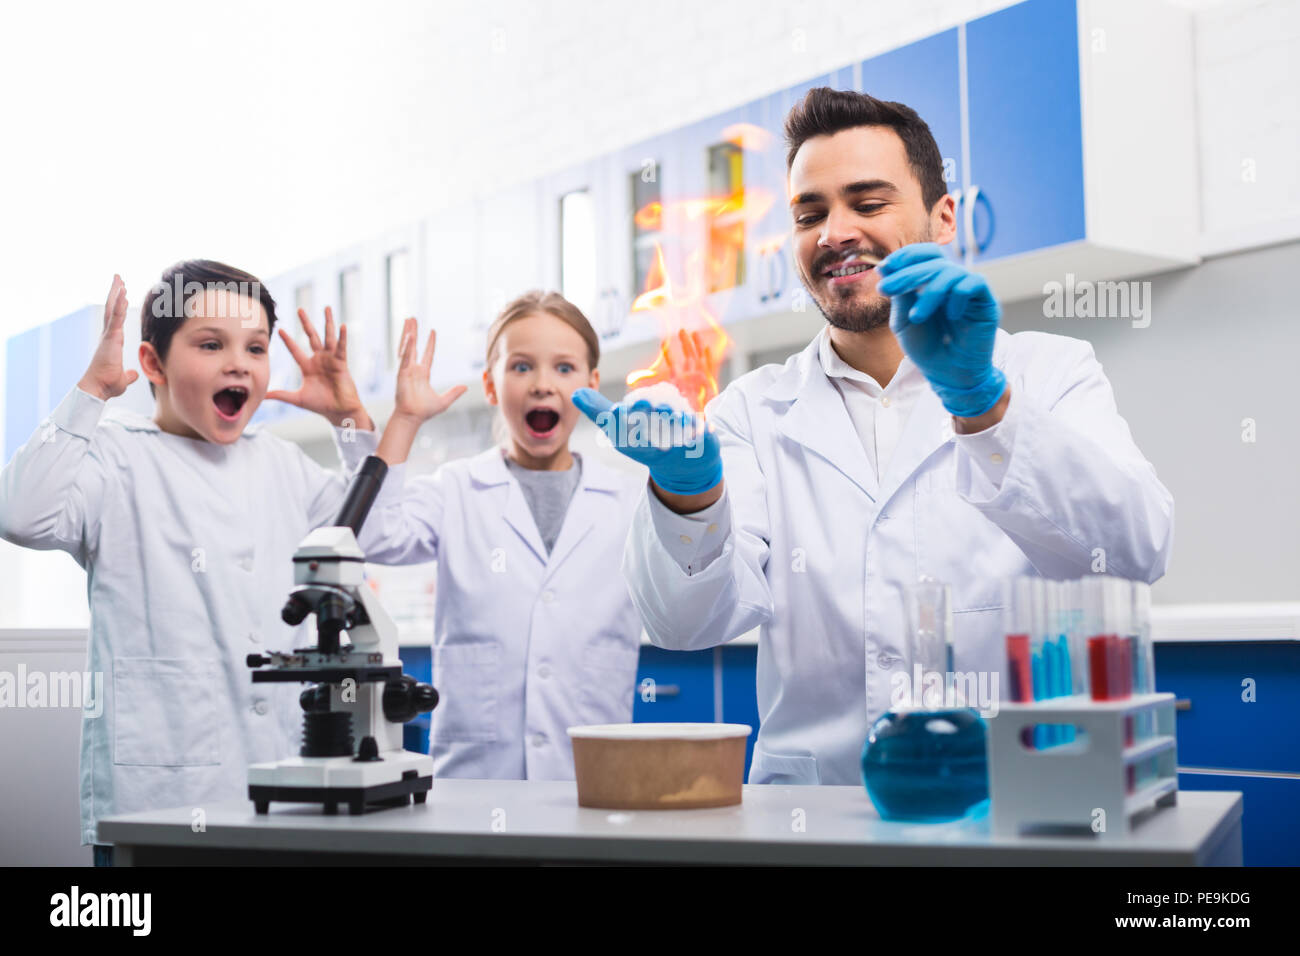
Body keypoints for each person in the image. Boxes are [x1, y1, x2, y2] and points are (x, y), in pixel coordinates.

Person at [575, 87, 1175, 786]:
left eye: (867, 203)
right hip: (814, 817)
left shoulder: (1048, 373)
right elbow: (684, 626)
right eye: (810, 212)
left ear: (943, 217)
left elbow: (1135, 548)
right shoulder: (752, 412)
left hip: (1017, 804)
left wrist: (984, 406)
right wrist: (689, 498)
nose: (834, 232)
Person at [0, 261, 380, 863]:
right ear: (152, 364)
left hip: (280, 793)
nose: (239, 363)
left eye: (256, 348)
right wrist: (92, 393)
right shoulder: (116, 457)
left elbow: (376, 533)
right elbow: (20, 513)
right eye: (211, 344)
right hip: (158, 800)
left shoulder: (281, 464)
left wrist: (348, 420)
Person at [343, 291, 654, 779]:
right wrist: (405, 419)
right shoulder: (457, 489)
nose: (543, 385)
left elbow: (694, 576)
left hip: (589, 781)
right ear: (490, 385)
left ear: (594, 385)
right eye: (522, 367)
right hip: (476, 781)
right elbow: (374, 535)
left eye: (565, 368)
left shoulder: (631, 499)